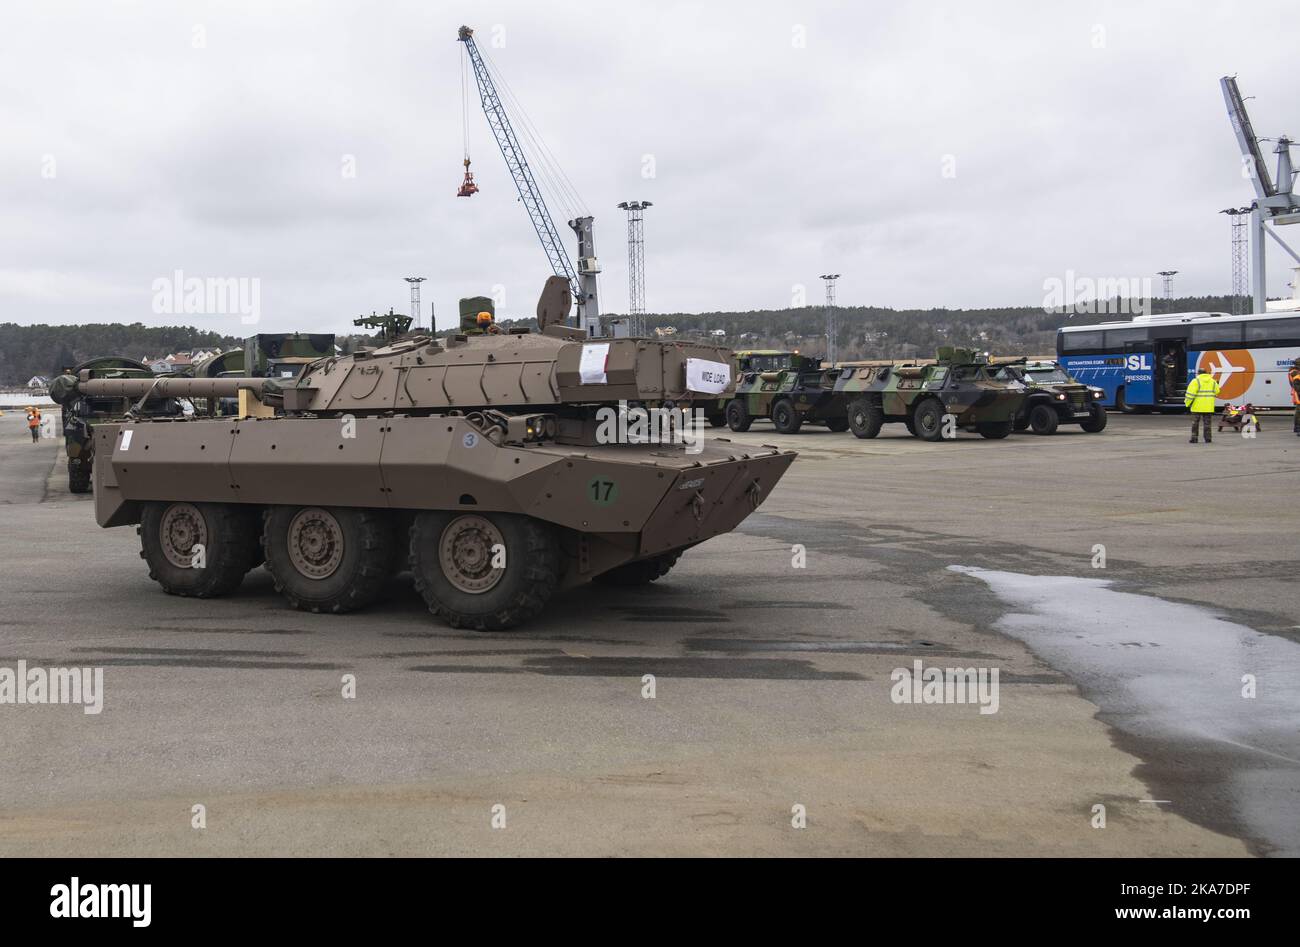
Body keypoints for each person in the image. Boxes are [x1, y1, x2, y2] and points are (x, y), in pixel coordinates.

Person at [1184, 365, 1221, 444]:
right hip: (1208, 407)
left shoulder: (1195, 381)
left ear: (1198, 373)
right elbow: (1217, 391)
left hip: (1196, 407)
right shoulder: (1213, 381)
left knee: (1195, 423)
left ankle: (1194, 438)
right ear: (1206, 373)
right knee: (1207, 423)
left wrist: (1187, 403)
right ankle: (1208, 438)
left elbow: (1190, 394)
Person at [1290, 356, 1300, 436]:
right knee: (1298, 411)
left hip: (1296, 393)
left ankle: (1297, 427)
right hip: (1297, 394)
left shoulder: (1294, 371)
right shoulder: (1295, 372)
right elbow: (1295, 384)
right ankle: (1297, 427)